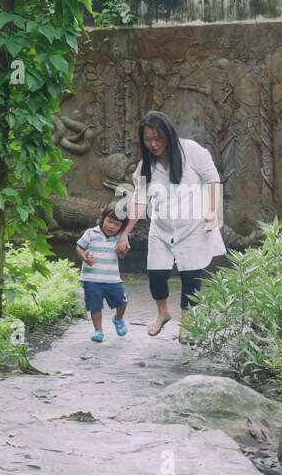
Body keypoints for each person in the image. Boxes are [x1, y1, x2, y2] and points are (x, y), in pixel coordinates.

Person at [116, 111, 225, 343]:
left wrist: (213, 212)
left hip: (194, 227)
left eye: (158, 138)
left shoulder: (192, 151)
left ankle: (187, 324)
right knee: (156, 275)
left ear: (168, 134)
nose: (154, 144)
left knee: (191, 278)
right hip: (162, 228)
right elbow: (139, 200)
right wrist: (125, 233)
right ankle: (163, 313)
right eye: (148, 139)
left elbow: (212, 180)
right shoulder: (146, 165)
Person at [76, 206, 130, 343]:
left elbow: (123, 255)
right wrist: (85, 257)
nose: (111, 226)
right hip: (91, 278)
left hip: (112, 278)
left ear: (121, 227)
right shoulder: (91, 233)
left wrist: (123, 250)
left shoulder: (120, 238)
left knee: (122, 302)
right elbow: (79, 247)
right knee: (95, 306)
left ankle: (118, 319)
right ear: (103, 219)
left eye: (116, 224)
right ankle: (98, 331)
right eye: (109, 221)